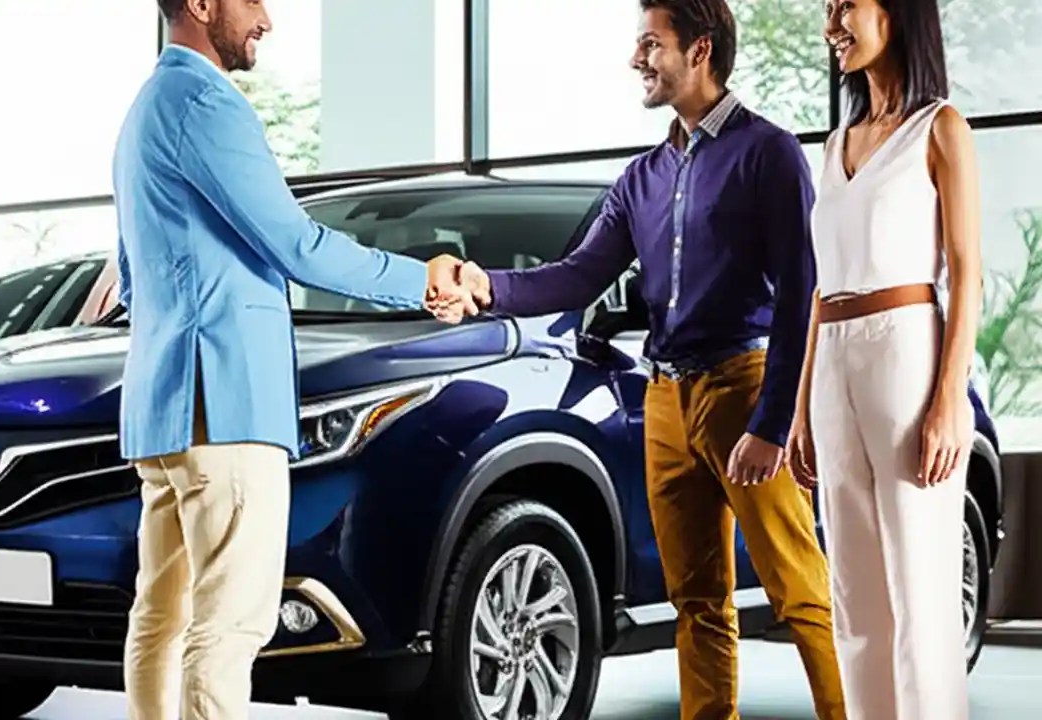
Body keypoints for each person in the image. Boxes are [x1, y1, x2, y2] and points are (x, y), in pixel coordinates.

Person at [439, 1, 847, 718]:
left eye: (650, 44)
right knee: (697, 600)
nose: (637, 60)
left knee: (800, 590)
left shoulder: (768, 152)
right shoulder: (642, 177)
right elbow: (575, 275)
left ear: (700, 51)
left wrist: (774, 422)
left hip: (742, 390)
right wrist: (486, 286)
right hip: (664, 399)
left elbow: (800, 293)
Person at [112, 1, 473, 718]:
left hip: (163, 411)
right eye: (253, 1)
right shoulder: (207, 103)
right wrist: (420, 280)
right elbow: (296, 245)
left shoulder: (144, 111)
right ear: (203, 5)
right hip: (227, 406)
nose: (267, 19)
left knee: (162, 617)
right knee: (230, 625)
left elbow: (127, 278)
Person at [785, 1, 981, 717]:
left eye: (846, 5)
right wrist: (804, 407)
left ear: (896, 13)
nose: (832, 21)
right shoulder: (836, 145)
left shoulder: (941, 130)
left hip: (906, 352)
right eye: (828, 8)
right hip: (833, 359)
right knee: (855, 602)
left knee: (919, 595)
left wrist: (949, 400)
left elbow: (967, 275)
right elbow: (819, 286)